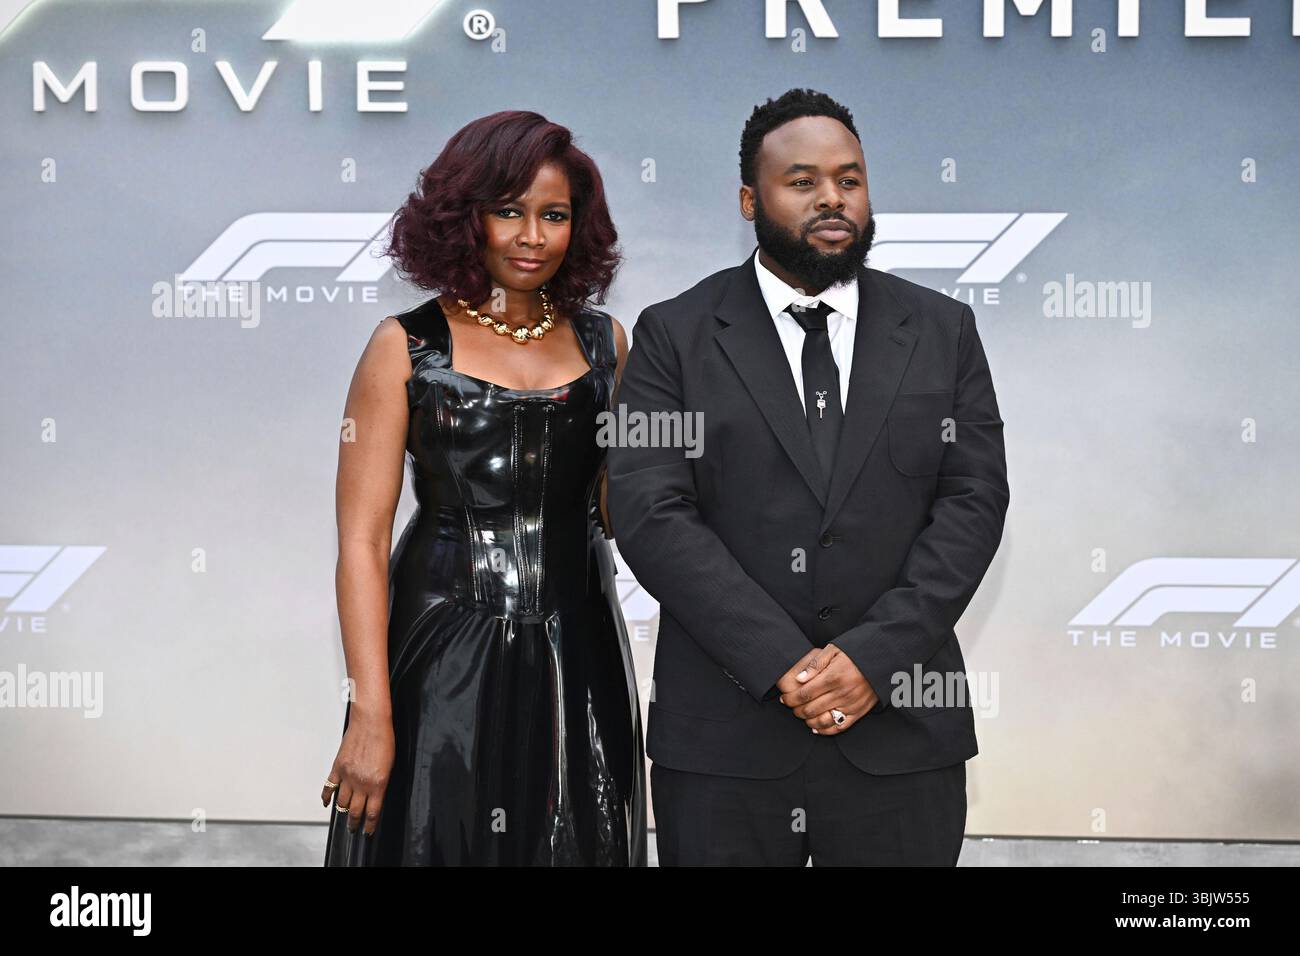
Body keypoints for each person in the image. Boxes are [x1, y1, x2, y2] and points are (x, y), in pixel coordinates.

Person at [607, 88, 1009, 866]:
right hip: (726, 741)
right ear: (750, 199)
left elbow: (974, 500)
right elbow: (650, 510)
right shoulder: (675, 333)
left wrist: (871, 661)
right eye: (803, 181)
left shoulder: (941, 329)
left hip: (901, 734)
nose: (832, 198)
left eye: (849, 179)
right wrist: (780, 664)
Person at [321, 110, 646, 866]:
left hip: (581, 650)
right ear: (465, 217)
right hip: (440, 653)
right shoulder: (404, 346)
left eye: (555, 215)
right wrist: (370, 710)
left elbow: (624, 511)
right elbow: (362, 543)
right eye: (509, 211)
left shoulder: (607, 345)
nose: (533, 236)